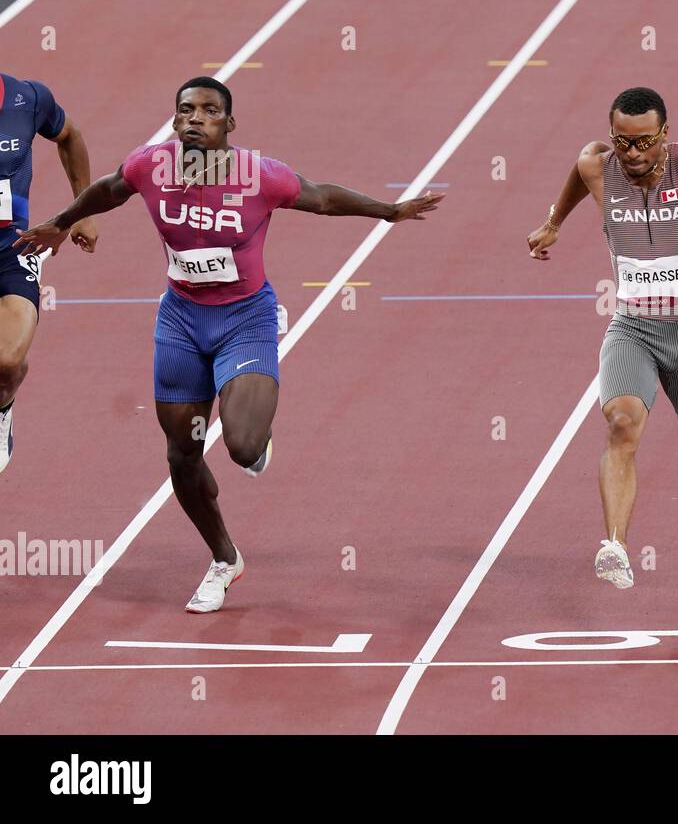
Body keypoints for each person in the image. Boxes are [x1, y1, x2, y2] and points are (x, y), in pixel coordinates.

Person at [15, 77, 443, 610]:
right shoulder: (150, 166)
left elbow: (323, 198)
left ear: (229, 125)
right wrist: (62, 221)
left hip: (246, 318)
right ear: (174, 120)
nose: (195, 118)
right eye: (186, 110)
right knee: (182, 454)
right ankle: (223, 559)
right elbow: (108, 188)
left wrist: (388, 210)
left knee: (242, 447)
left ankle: (257, 438)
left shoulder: (258, 176)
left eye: (209, 111)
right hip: (180, 323)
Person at [527, 87, 678, 587]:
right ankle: (615, 546)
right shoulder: (597, 165)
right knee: (622, 425)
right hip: (630, 327)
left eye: (643, 142)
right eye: (622, 142)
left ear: (665, 134)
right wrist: (552, 224)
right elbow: (577, 174)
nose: (631, 154)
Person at [0, 72, 98, 473]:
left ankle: (3, 408)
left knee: (7, 363)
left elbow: (70, 137)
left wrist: (81, 212)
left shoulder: (27, 98)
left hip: (11, 250)